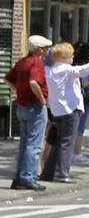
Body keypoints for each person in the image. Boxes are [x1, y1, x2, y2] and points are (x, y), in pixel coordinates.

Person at [42, 41, 89, 183]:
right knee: (67, 142)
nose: (72, 57)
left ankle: (48, 172)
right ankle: (62, 173)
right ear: (63, 56)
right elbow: (87, 68)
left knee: (58, 142)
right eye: (70, 55)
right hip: (70, 109)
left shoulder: (49, 70)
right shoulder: (66, 70)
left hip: (57, 110)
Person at [9, 35, 53, 192]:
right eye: (47, 48)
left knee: (24, 143)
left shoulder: (22, 62)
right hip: (35, 107)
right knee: (33, 145)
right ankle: (28, 177)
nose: (48, 51)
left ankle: (19, 178)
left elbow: (8, 79)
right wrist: (41, 98)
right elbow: (34, 82)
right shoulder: (37, 63)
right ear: (40, 50)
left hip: (22, 107)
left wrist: (19, 91)